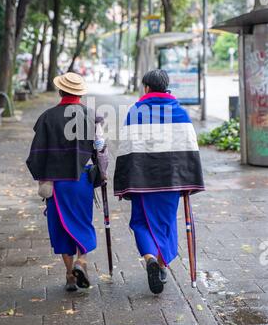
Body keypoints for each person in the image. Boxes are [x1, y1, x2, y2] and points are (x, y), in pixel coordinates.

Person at [114, 69, 204, 294]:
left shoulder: (135, 112)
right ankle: (161, 265)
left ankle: (150, 258)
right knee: (166, 223)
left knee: (140, 222)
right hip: (171, 181)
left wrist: (125, 179)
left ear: (146, 87)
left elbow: (126, 148)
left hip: (142, 181)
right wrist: (189, 179)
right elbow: (189, 148)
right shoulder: (180, 112)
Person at [26, 72, 108, 292]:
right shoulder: (92, 116)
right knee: (82, 222)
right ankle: (82, 261)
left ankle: (70, 275)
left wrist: (41, 177)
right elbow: (100, 149)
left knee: (60, 227)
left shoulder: (46, 117)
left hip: (56, 184)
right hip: (82, 181)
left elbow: (36, 154)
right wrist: (103, 174)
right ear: (80, 94)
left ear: (60, 91)